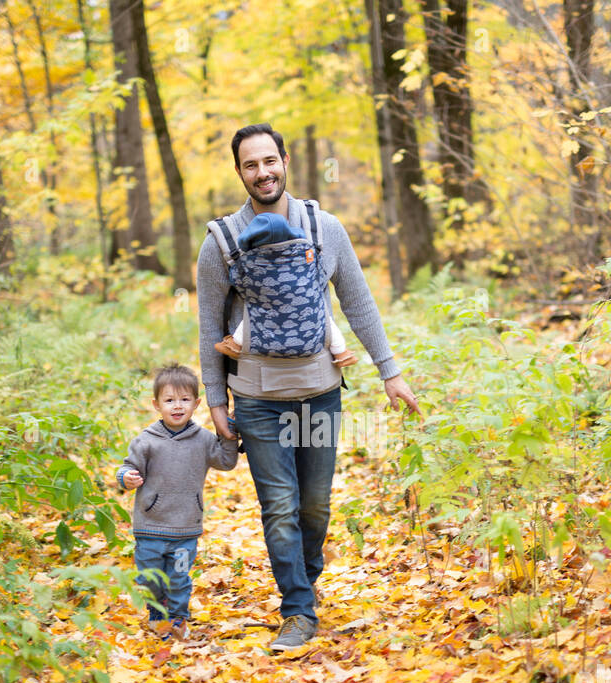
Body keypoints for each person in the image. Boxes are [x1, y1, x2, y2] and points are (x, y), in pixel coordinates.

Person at [197, 122, 420, 652]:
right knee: (279, 506)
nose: (262, 172)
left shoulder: (325, 229)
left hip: (320, 391)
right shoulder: (221, 242)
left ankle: (304, 574)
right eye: (250, 165)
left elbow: (358, 303)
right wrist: (215, 399)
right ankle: (297, 609)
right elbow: (209, 326)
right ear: (239, 172)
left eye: (269, 161)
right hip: (256, 397)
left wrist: (390, 371)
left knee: (314, 505)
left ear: (286, 161)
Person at [114, 364, 239, 640]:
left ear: (196, 404)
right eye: (169, 400)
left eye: (184, 400)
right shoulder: (145, 441)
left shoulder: (204, 439)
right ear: (156, 405)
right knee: (150, 578)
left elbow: (226, 462)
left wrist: (230, 433)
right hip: (150, 528)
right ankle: (157, 612)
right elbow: (126, 469)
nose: (177, 406)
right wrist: (127, 478)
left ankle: (178, 618)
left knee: (179, 578)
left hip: (185, 529)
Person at [213, 212, 357, 369]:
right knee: (324, 317)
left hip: (267, 313)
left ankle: (235, 344)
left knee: (252, 316)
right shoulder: (304, 253)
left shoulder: (250, 261)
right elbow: (319, 274)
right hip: (305, 310)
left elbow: (238, 280)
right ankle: (341, 352)